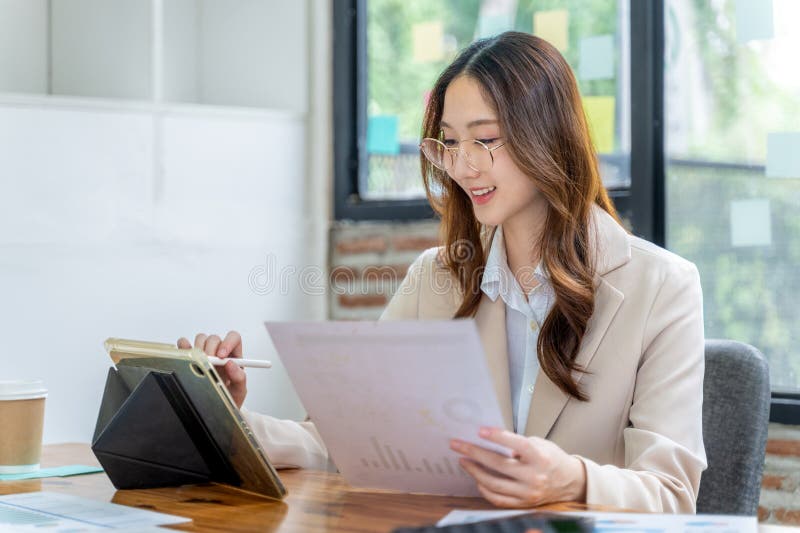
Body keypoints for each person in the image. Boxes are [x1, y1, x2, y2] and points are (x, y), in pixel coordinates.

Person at [178, 32, 706, 513]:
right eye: (449, 142)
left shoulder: (661, 288)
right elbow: (344, 440)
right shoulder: (438, 278)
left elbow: (672, 494)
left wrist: (572, 481)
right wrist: (221, 417)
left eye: (485, 139)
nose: (461, 166)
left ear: (550, 137)